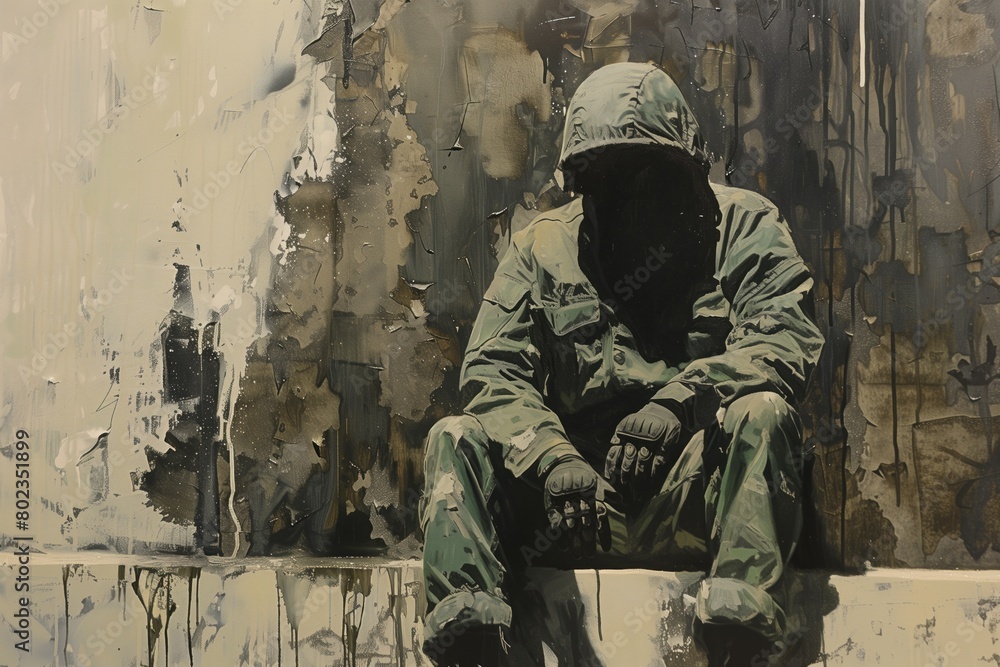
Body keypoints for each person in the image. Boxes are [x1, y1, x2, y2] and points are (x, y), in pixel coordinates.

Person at [419, 61, 824, 667]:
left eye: (645, 176)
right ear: (581, 183)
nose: (628, 198)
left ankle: (740, 639)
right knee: (455, 437)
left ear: (685, 172)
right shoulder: (542, 246)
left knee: (763, 415)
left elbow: (785, 336)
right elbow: (492, 371)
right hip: (570, 507)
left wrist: (679, 402)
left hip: (689, 498)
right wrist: (552, 458)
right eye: (605, 179)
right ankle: (473, 644)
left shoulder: (744, 226)